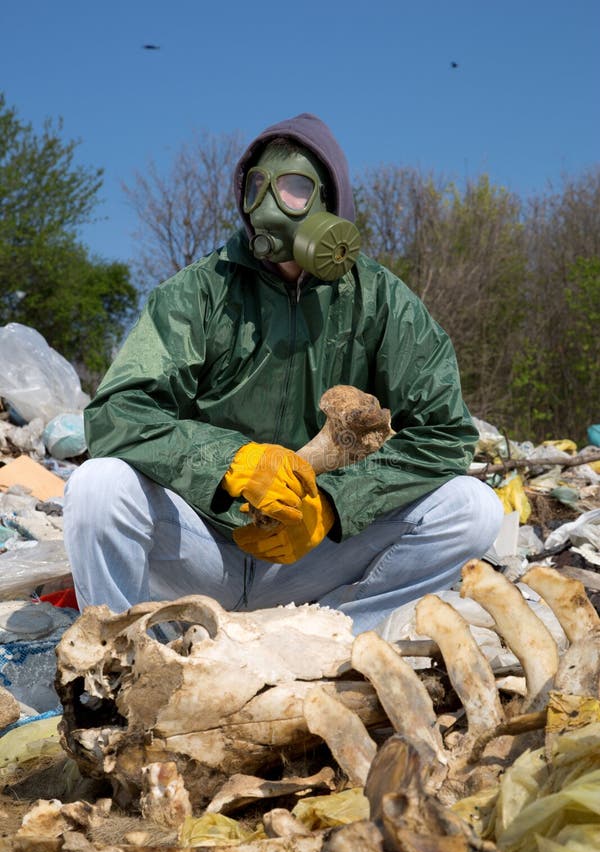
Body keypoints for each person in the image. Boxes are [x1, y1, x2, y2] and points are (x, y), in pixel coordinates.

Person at [63, 113, 503, 635]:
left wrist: (334, 508)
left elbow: (445, 435)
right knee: (97, 486)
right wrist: (229, 463)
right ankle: (125, 662)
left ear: (331, 201)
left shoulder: (383, 304)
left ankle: (333, 641)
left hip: (310, 558)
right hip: (203, 549)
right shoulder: (199, 293)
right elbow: (116, 412)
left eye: (295, 189)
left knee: (473, 509)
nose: (269, 208)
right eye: (256, 189)